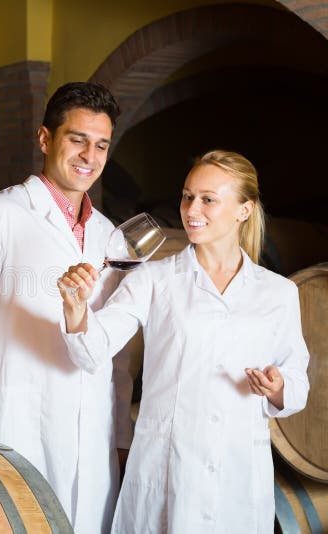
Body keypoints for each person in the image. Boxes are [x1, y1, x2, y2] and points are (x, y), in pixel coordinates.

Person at [0, 82, 134, 533]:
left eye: (100, 145)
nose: (88, 157)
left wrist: (119, 436)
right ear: (44, 139)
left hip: (92, 438)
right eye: (77, 139)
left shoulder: (112, 237)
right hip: (18, 419)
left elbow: (118, 356)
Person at [58, 150, 310, 532]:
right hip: (166, 472)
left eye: (208, 199)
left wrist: (278, 387)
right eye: (188, 195)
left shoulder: (277, 293)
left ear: (244, 210)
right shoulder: (153, 279)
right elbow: (93, 350)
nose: (192, 208)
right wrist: (77, 309)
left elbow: (298, 383)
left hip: (238, 477)